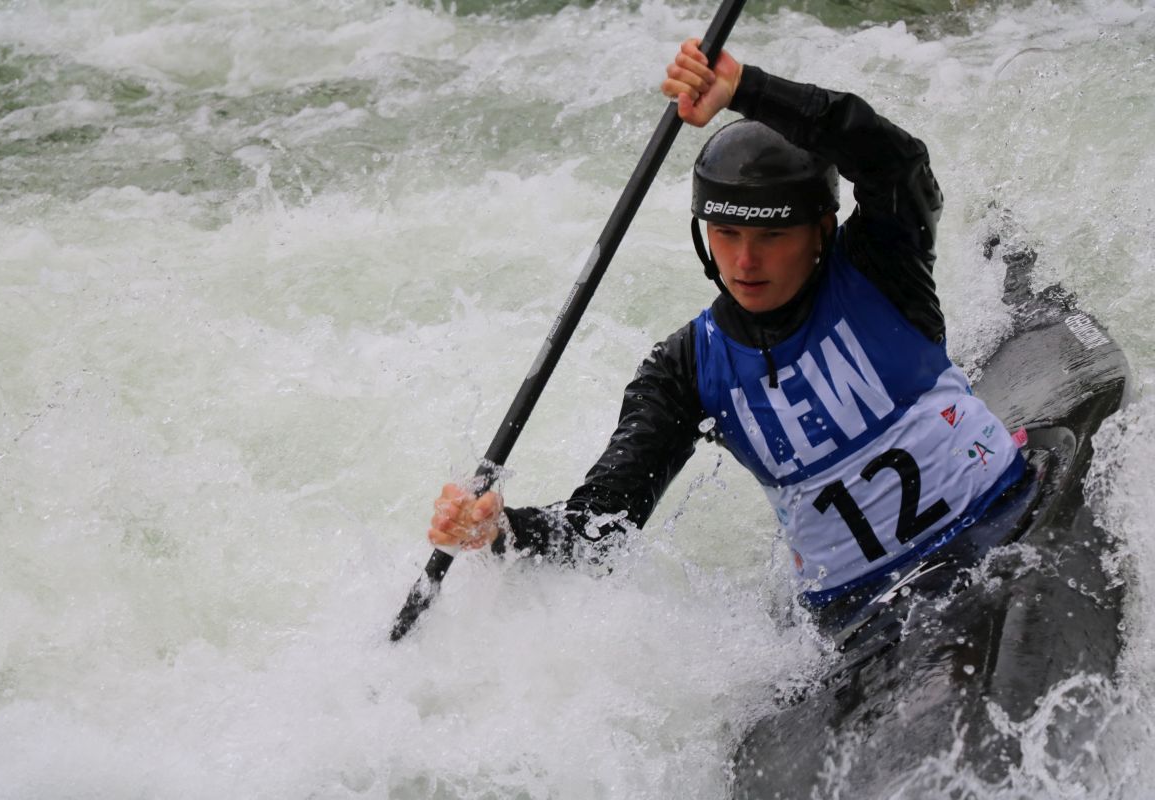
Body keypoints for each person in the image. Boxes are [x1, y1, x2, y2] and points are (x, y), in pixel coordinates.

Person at [427, 38, 1025, 607]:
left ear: (821, 230)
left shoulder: (881, 264)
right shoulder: (685, 369)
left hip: (998, 519)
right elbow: (601, 529)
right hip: (856, 611)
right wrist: (501, 531)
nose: (744, 262)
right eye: (728, 233)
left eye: (772, 236)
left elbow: (894, 161)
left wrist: (747, 89)